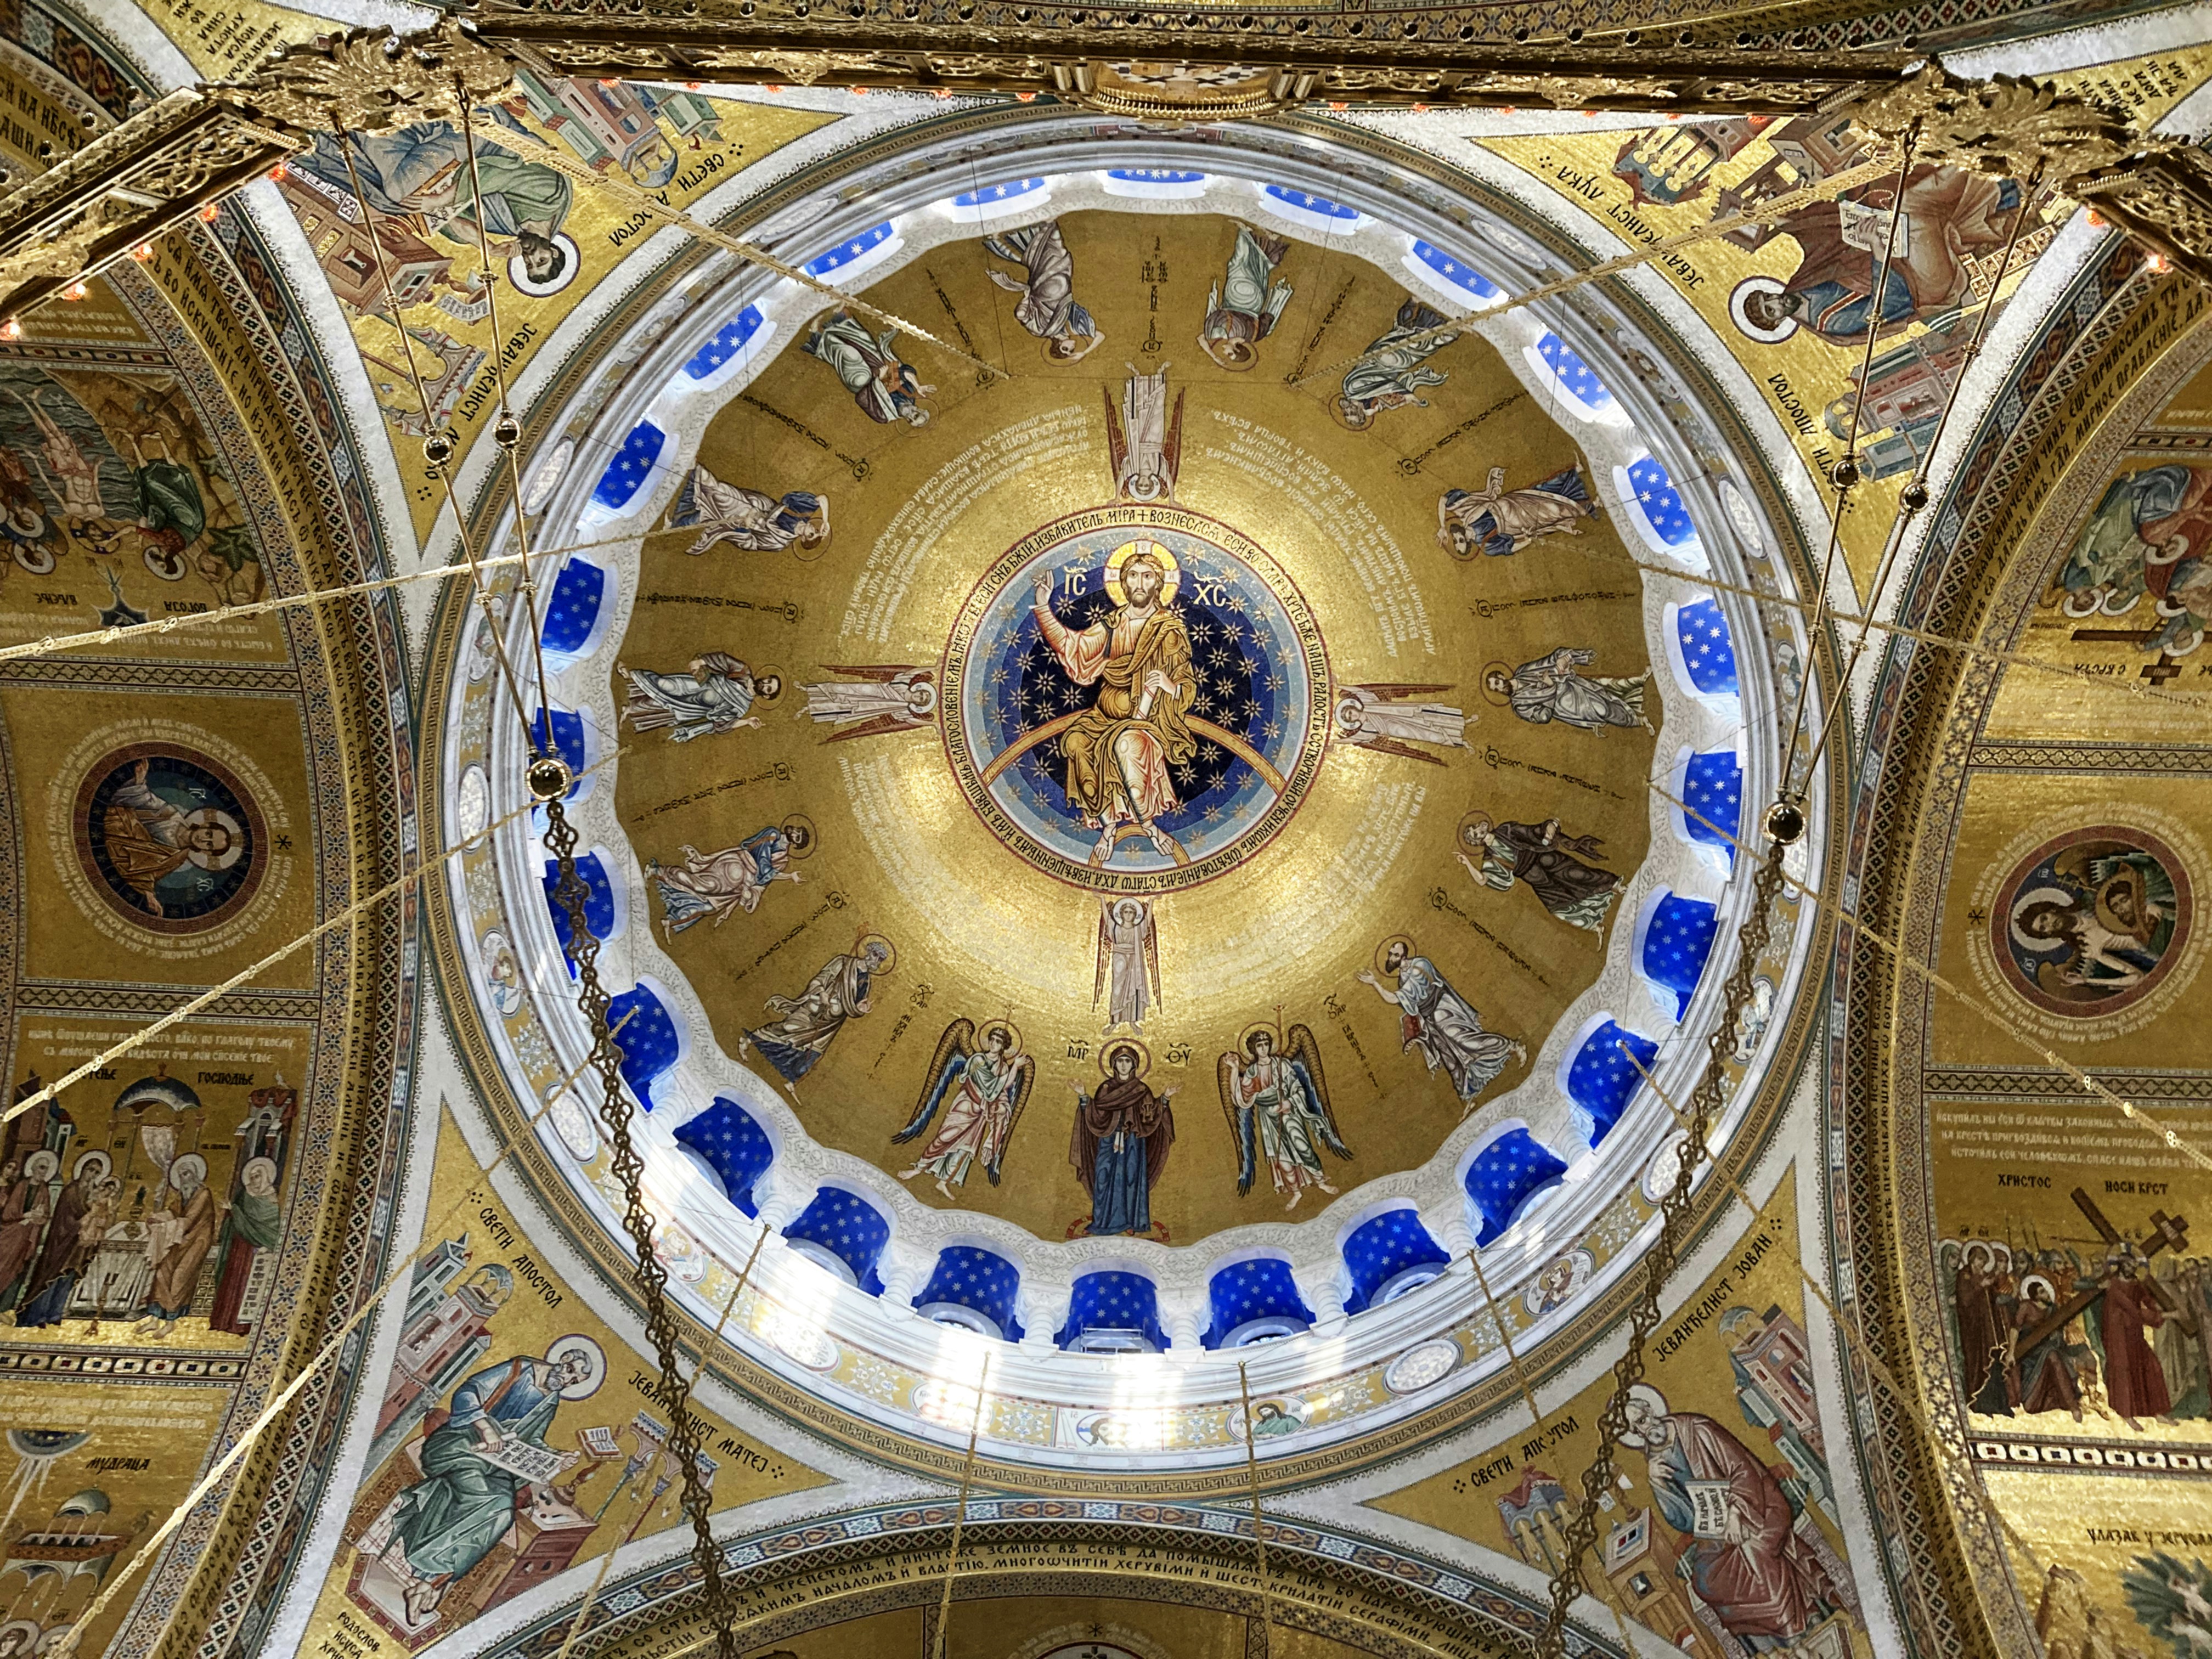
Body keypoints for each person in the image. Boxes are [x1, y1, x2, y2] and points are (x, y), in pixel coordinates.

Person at [375, 1347, 592, 1626]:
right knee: (482, 1497)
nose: (567, 1381)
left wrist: (557, 1458)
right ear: (563, 1359)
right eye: (570, 1371)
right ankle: (430, 1575)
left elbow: (533, 1438)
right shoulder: (519, 1369)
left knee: (503, 1510)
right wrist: (486, 1428)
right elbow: (467, 1392)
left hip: (497, 1463)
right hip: (461, 1444)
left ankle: (431, 1582)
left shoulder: (551, 1400)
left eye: (574, 1382)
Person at [1621, 1384, 1843, 1644]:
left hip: (1757, 1503)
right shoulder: (1656, 1462)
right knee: (1705, 1580)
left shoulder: (1697, 1429)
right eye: (1637, 1430)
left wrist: (1736, 1512)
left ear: (1650, 1410)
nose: (1645, 1431)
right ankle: (1772, 1641)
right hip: (1717, 1529)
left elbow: (1742, 1468)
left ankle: (1797, 1626)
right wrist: (1659, 1486)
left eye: (1643, 1420)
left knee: (1753, 1554)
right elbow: (1683, 1521)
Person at [1030, 546, 1194, 865]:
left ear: (1159, 584)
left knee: (1125, 744)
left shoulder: (1169, 630)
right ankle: (1108, 827)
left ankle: (1149, 827)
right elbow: (1073, 647)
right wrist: (1042, 606)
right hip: (1103, 717)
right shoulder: (1113, 623)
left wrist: (1170, 686)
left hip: (1149, 719)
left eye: (1148, 577)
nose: (1139, 584)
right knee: (1076, 742)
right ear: (1123, 582)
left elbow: (1186, 684)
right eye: (1132, 576)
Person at [1741, 163, 2024, 343]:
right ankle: (1986, 167)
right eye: (1771, 309)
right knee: (1911, 208)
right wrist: (1877, 248)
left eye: (1768, 296)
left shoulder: (1802, 285)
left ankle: (1994, 180)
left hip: (1897, 254)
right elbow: (1888, 302)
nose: (1776, 301)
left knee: (1891, 187)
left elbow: (1818, 245)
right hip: (1922, 285)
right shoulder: (1830, 322)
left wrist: (1778, 220)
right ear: (1778, 321)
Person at [292, 121, 574, 287]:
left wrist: (486, 246)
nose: (530, 256)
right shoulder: (552, 196)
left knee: (392, 204)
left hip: (457, 168)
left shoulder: (514, 228)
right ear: (554, 251)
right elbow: (499, 171)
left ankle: (325, 145)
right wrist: (441, 199)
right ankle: (353, 123)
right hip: (477, 140)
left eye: (528, 264)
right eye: (541, 260)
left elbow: (451, 220)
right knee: (399, 189)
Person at [1358, 940, 1522, 1110]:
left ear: (1404, 957)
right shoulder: (1402, 978)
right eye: (1390, 954)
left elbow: (1395, 998)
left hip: (1442, 1008)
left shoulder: (1419, 966)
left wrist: (1375, 983)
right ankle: (1468, 1096)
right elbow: (1410, 1004)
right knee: (1450, 1059)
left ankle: (1512, 1046)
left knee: (1466, 1041)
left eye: (1395, 955)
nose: (1391, 958)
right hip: (1430, 1019)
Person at [894, 1023, 1032, 1195]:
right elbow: (993, 1086)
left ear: (1004, 1046)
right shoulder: (977, 1060)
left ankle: (944, 1182)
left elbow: (1002, 1094)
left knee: (965, 1149)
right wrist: (1015, 1068)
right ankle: (918, 1168)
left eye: (998, 1042)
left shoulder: (1003, 1067)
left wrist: (1003, 1109)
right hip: (965, 1106)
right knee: (944, 1138)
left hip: (981, 1114)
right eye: (992, 1039)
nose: (993, 1044)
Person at [1220, 1028, 1348, 1210]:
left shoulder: (1283, 1064)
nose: (1264, 1048)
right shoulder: (1252, 1072)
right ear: (1253, 1049)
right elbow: (1240, 1098)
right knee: (1282, 1159)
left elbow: (1298, 1088)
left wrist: (1290, 1102)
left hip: (1289, 1113)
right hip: (1269, 1119)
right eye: (1259, 1046)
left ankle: (1321, 1182)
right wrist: (1234, 1068)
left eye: (1266, 1044)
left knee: (1303, 1147)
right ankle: (1296, 1192)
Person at [743, 938, 892, 1090]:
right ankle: (750, 1040)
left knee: (812, 1055)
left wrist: (860, 1009)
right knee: (789, 1027)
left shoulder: (866, 982)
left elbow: (854, 1007)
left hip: (831, 1024)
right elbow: (819, 980)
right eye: (875, 955)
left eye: (880, 959)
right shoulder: (844, 962)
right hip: (816, 1008)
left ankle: (792, 1082)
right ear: (868, 951)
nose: (876, 960)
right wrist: (822, 993)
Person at [99, 758, 238, 917]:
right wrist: (139, 782)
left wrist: (149, 895)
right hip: (116, 823)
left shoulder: (178, 858)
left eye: (209, 845)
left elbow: (147, 870)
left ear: (206, 852)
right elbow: (146, 801)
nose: (204, 840)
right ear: (204, 826)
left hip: (120, 853)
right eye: (209, 834)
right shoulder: (172, 816)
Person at [1071, 1045, 1176, 1237]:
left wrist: (1165, 1099)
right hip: (1108, 1140)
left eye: (1128, 1061)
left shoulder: (1141, 1089)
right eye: (1120, 1061)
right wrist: (1084, 1096)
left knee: (1131, 1178)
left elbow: (1151, 1114)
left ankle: (1130, 1221)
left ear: (1134, 1065)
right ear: (1114, 1064)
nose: (1124, 1065)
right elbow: (1096, 1114)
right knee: (1102, 1177)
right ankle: (1102, 1222)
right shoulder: (1106, 1088)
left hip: (1133, 1142)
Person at [1457, 814, 1621, 932]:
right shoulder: (1490, 857)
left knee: (1578, 874)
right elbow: (1483, 880)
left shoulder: (1507, 830)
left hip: (1544, 858)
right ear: (1477, 842)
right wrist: (1467, 863)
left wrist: (1547, 827)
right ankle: (1594, 924)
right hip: (1534, 877)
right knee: (1558, 907)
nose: (1478, 833)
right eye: (1475, 835)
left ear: (1483, 825)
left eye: (1476, 829)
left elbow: (1530, 831)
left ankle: (1614, 885)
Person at [649, 824, 808, 933]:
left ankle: (672, 921)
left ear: (796, 844)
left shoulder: (783, 860)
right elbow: (763, 862)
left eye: (798, 837)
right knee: (703, 886)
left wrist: (749, 897)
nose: (795, 832)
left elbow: (763, 884)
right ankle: (658, 871)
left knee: (709, 907)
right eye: (798, 830)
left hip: (740, 885)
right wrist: (789, 877)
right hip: (737, 866)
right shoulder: (772, 834)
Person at [983, 221, 1101, 360]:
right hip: (1062, 280)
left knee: (1043, 257)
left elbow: (1021, 315)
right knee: (1055, 253)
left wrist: (1027, 297)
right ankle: (1043, 225)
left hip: (1045, 289)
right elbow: (1100, 336)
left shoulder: (1041, 331)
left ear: (1058, 345)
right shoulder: (1072, 327)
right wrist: (1085, 353)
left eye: (1066, 349)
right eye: (1072, 351)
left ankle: (1003, 237)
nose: (1071, 348)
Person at [1336, 298, 1458, 428]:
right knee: (1404, 334)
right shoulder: (1363, 399)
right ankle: (1423, 309)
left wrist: (1407, 396)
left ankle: (1452, 329)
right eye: (1351, 414)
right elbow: (1383, 395)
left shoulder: (1352, 388)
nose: (1348, 411)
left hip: (1386, 362)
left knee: (1418, 346)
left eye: (1347, 413)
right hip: (1389, 363)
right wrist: (1377, 407)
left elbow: (1385, 384)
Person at [803, 308, 933, 425]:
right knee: (863, 337)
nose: (911, 416)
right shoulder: (908, 394)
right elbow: (904, 372)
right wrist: (918, 386)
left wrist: (878, 381)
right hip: (878, 366)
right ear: (919, 409)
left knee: (850, 354)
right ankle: (839, 318)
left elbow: (861, 399)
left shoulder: (884, 416)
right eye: (916, 415)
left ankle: (817, 335)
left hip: (861, 380)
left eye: (911, 420)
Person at [1437, 467, 1599, 558]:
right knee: (1555, 511)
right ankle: (1591, 506)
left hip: (1512, 502)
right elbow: (1512, 548)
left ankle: (1575, 473)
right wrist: (1529, 539)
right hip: (1519, 521)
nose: (1457, 539)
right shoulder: (1486, 546)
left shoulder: (1465, 513)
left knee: (1541, 491)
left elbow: (1444, 500)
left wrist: (1443, 526)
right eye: (1460, 543)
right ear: (1467, 544)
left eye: (1455, 540)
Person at [665, 466, 828, 556]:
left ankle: (677, 520)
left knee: (712, 510)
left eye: (811, 535)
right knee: (720, 494)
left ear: (804, 539)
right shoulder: (802, 514)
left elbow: (752, 543)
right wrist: (826, 522)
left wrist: (743, 528)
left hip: (745, 521)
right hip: (755, 505)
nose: (813, 530)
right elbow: (822, 499)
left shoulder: (780, 543)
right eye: (815, 531)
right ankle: (690, 477)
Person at [136, 1156, 216, 1336]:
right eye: (181, 1175)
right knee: (162, 1273)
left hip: (197, 1241)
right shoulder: (182, 1196)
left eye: (186, 1174)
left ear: (194, 1175)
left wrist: (169, 1224)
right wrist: (157, 1219)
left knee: (180, 1276)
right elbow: (172, 1212)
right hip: (179, 1239)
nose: (183, 1178)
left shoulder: (204, 1194)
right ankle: (154, 1320)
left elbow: (190, 1220)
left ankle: (170, 1322)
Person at [618, 654, 778, 743]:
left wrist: (747, 722)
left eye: (768, 688)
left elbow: (725, 724)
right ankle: (630, 675)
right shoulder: (744, 673)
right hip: (698, 684)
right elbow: (724, 660)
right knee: (665, 684)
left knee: (662, 706)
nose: (765, 684)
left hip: (696, 709)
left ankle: (630, 709)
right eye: (768, 681)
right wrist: (701, 662)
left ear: (766, 695)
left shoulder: (743, 707)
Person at [1487, 648, 1652, 735]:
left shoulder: (1523, 671)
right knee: (1603, 710)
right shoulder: (1519, 706)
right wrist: (1550, 687)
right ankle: (1637, 721)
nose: (1500, 688)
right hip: (1567, 705)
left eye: (1497, 683)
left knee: (1607, 688)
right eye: (1496, 689)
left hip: (1571, 685)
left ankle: (1639, 681)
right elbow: (1543, 717)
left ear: (1501, 676)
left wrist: (1561, 660)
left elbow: (1547, 661)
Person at [13, 1167, 101, 1328]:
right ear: (83, 1169)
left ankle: (55, 1313)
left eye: (97, 1173)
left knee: (68, 1277)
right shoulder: (71, 1191)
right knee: (51, 1276)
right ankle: (37, 1315)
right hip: (60, 1243)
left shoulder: (95, 1193)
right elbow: (64, 1219)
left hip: (78, 1246)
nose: (93, 1175)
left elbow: (100, 1215)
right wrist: (87, 1218)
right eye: (91, 1170)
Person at [1199, 223, 1293, 369]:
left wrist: (1214, 356)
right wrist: (1213, 356)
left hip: (1255, 301)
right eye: (1230, 354)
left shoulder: (1255, 336)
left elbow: (1268, 317)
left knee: (1260, 271)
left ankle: (1270, 241)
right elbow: (1202, 338)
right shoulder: (1221, 333)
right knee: (1237, 264)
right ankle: (1245, 233)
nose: (1225, 352)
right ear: (1237, 349)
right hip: (1236, 297)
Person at [2100, 1246, 2175, 1430]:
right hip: (2119, 1337)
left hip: (2135, 1334)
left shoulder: (2135, 1283)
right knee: (2124, 1372)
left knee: (2152, 1367)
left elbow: (2146, 1299)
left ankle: (2158, 1412)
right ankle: (2127, 1415)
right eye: (2128, 1265)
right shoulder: (2113, 1287)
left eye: (2134, 1266)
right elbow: (2134, 1311)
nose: (2132, 1269)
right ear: (2120, 1265)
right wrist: (2167, 1315)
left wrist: (2159, 1305)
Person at [208, 1157, 281, 1336]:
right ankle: (228, 1321)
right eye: (252, 1176)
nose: (254, 1180)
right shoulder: (245, 1195)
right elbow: (235, 1220)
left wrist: (234, 1210)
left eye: (258, 1176)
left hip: (260, 1252)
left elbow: (273, 1225)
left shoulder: (274, 1198)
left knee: (253, 1286)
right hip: (241, 1248)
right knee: (235, 1283)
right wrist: (232, 1211)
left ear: (266, 1176)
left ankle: (250, 1326)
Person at [1952, 1243, 2004, 1405]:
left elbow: (1993, 1298)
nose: (1981, 1263)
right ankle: (1972, 1394)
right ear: (1972, 1259)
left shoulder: (1985, 1275)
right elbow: (1965, 1300)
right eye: (1979, 1259)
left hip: (1986, 1326)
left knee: (1989, 1359)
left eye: (1984, 1260)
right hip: (1970, 1325)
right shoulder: (1964, 1275)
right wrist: (1981, 1286)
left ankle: (1988, 1397)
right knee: (1974, 1360)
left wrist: (1993, 1284)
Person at [1095, 899, 1158, 1033]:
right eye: (1126, 912)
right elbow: (1107, 917)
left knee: (1134, 990)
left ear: (1135, 915)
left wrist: (1152, 901)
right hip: (1119, 958)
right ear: (1121, 914)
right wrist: (1102, 899)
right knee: (1117, 991)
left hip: (1134, 959)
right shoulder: (1115, 928)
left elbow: (1147, 920)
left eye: (1131, 912)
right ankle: (1114, 1022)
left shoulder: (1138, 929)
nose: (1128, 915)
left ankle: (1133, 1022)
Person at [0, 1157, 46, 1310]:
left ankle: (4, 1308)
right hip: (8, 1231)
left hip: (19, 1233)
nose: (11, 1172)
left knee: (15, 1268)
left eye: (15, 1170)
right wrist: (23, 1215)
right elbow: (9, 1213)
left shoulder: (15, 1188)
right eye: (9, 1167)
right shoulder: (19, 1187)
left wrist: (37, 1217)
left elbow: (44, 1214)